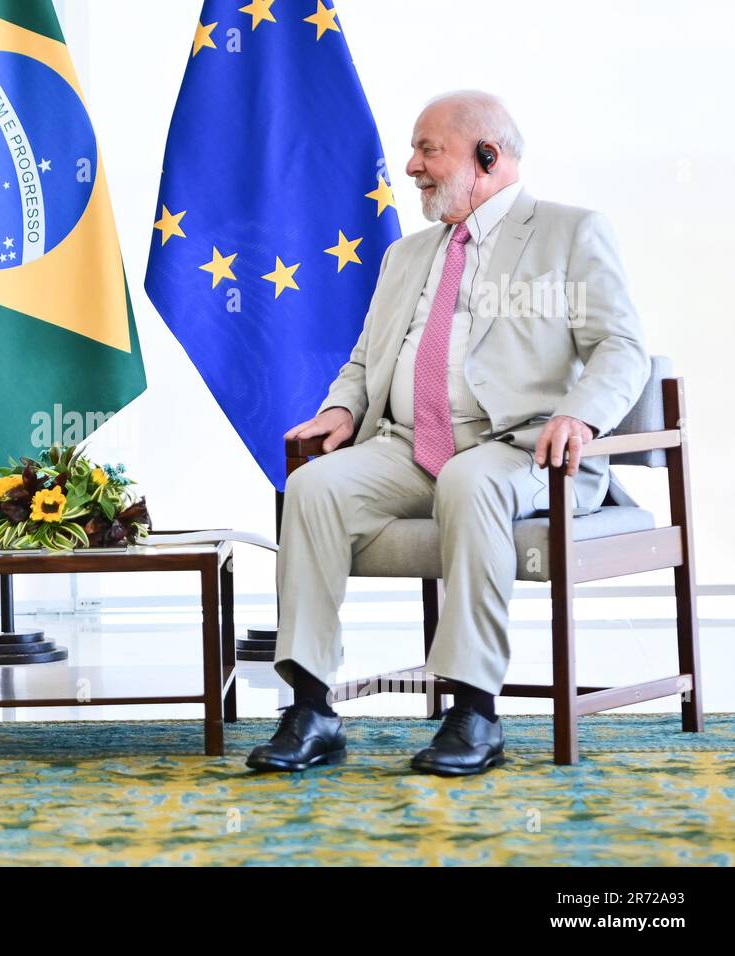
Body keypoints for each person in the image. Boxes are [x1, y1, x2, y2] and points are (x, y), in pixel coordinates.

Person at [247, 90, 649, 776]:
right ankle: (312, 709)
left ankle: (475, 712)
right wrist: (344, 409)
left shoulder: (569, 232)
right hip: (408, 445)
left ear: (486, 156)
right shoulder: (406, 256)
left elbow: (621, 347)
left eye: (427, 149)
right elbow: (366, 360)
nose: (411, 166)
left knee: (469, 479)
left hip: (522, 449)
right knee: (311, 486)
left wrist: (578, 413)